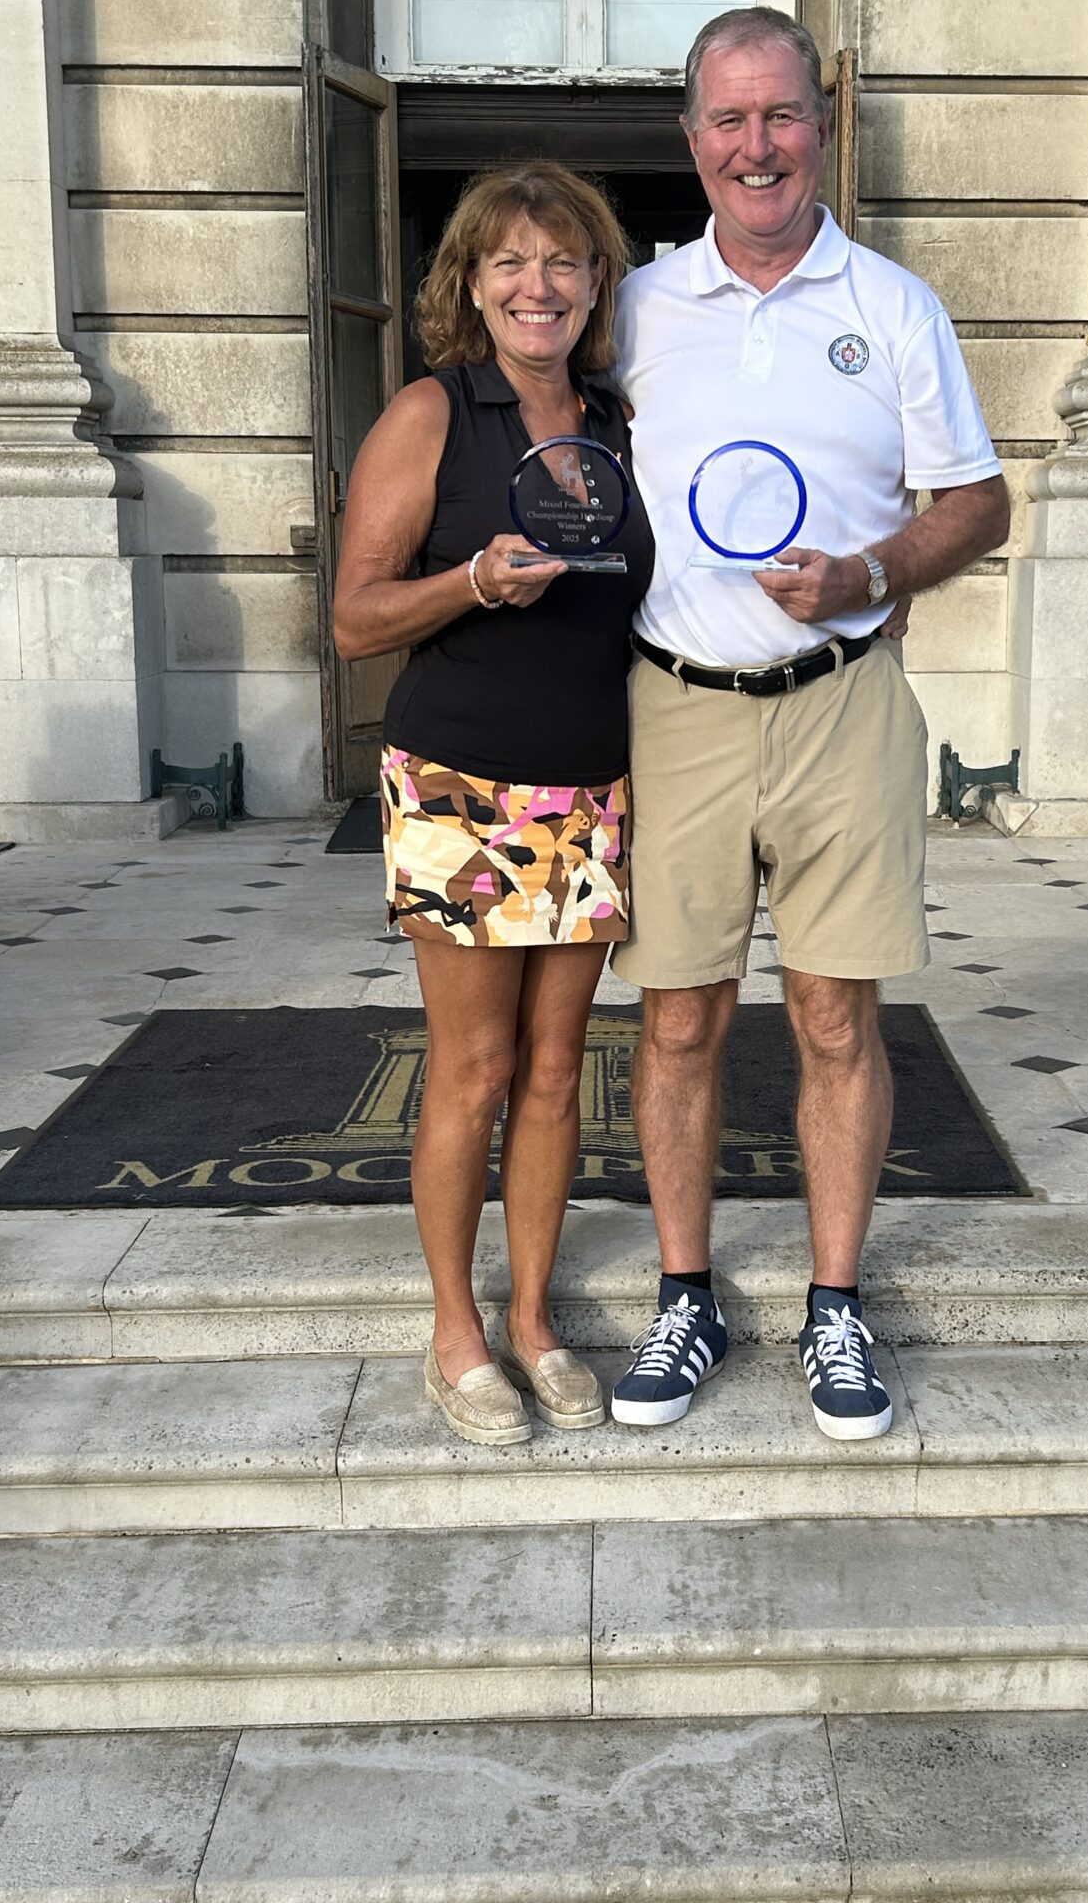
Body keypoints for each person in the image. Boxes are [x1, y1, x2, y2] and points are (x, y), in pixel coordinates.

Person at [608, 8, 1010, 1442]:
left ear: (820, 127)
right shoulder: (637, 308)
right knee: (678, 1020)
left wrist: (874, 572)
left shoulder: (892, 306)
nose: (756, 145)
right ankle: (685, 1292)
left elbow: (977, 498)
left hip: (842, 705)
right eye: (729, 120)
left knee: (838, 1018)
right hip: (677, 708)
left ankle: (835, 1309)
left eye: (781, 115)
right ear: (693, 140)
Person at [332, 163, 653, 1447]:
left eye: (565, 262)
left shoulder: (621, 421)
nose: (540, 285)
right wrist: (470, 577)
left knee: (563, 1069)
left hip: (593, 782)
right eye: (512, 263)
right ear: (471, 283)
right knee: (474, 1066)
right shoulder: (433, 412)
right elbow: (355, 618)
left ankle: (534, 1321)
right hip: (462, 785)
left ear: (595, 285)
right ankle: (455, 1331)